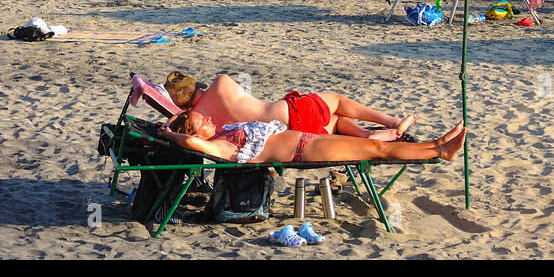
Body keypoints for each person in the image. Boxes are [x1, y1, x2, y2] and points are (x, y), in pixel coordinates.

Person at [163, 71, 415, 140]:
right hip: (288, 112)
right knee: (337, 101)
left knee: (335, 121)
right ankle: (392, 122)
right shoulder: (220, 83)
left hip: (291, 135)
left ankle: (368, 135)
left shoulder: (197, 119)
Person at [158, 110, 465, 165]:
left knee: (377, 146)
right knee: (376, 149)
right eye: (203, 122)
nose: (209, 119)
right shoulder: (218, 146)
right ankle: (440, 151)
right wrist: (172, 133)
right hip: (305, 151)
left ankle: (438, 145)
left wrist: (176, 122)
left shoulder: (222, 132)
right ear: (197, 134)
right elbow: (190, 142)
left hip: (308, 139)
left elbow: (186, 130)